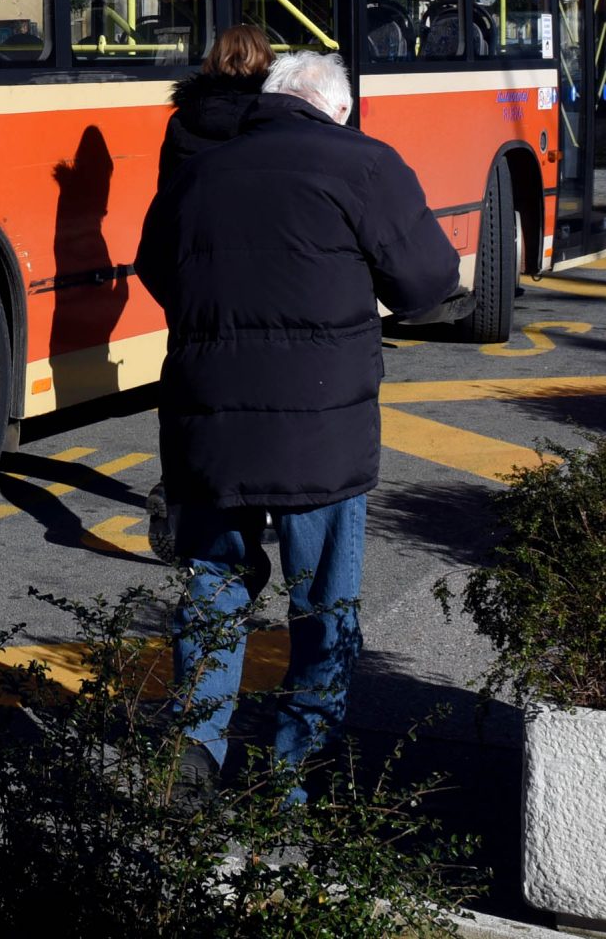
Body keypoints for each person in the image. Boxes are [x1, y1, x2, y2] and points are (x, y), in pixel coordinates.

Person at [135, 51, 459, 802]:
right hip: (322, 425)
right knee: (322, 601)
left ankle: (194, 753)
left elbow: (159, 270)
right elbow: (427, 283)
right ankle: (290, 770)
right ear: (335, 108)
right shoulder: (365, 165)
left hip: (208, 421)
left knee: (216, 582)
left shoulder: (198, 171)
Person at [146, 25, 275, 564]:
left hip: (195, 280)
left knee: (189, 393)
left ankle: (177, 494)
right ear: (265, 65)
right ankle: (258, 497)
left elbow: (165, 211)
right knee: (262, 391)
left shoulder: (181, 126)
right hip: (261, 283)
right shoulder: (270, 126)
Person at [157, 24, 273, 186]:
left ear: (214, 57)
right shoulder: (274, 115)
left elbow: (168, 183)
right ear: (267, 59)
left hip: (196, 208)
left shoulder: (184, 116)